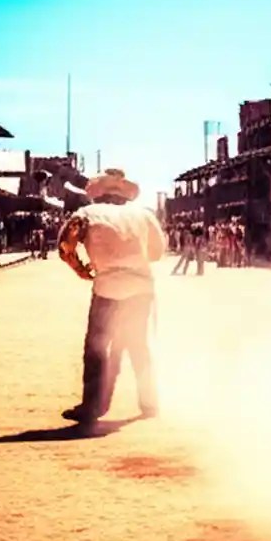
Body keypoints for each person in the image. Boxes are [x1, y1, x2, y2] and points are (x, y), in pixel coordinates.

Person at [56, 168, 166, 424]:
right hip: (141, 287)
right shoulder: (144, 215)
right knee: (138, 344)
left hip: (107, 287)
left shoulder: (86, 214)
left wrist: (81, 269)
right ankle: (150, 402)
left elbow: (65, 247)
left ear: (98, 193)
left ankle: (92, 405)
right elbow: (157, 252)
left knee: (97, 346)